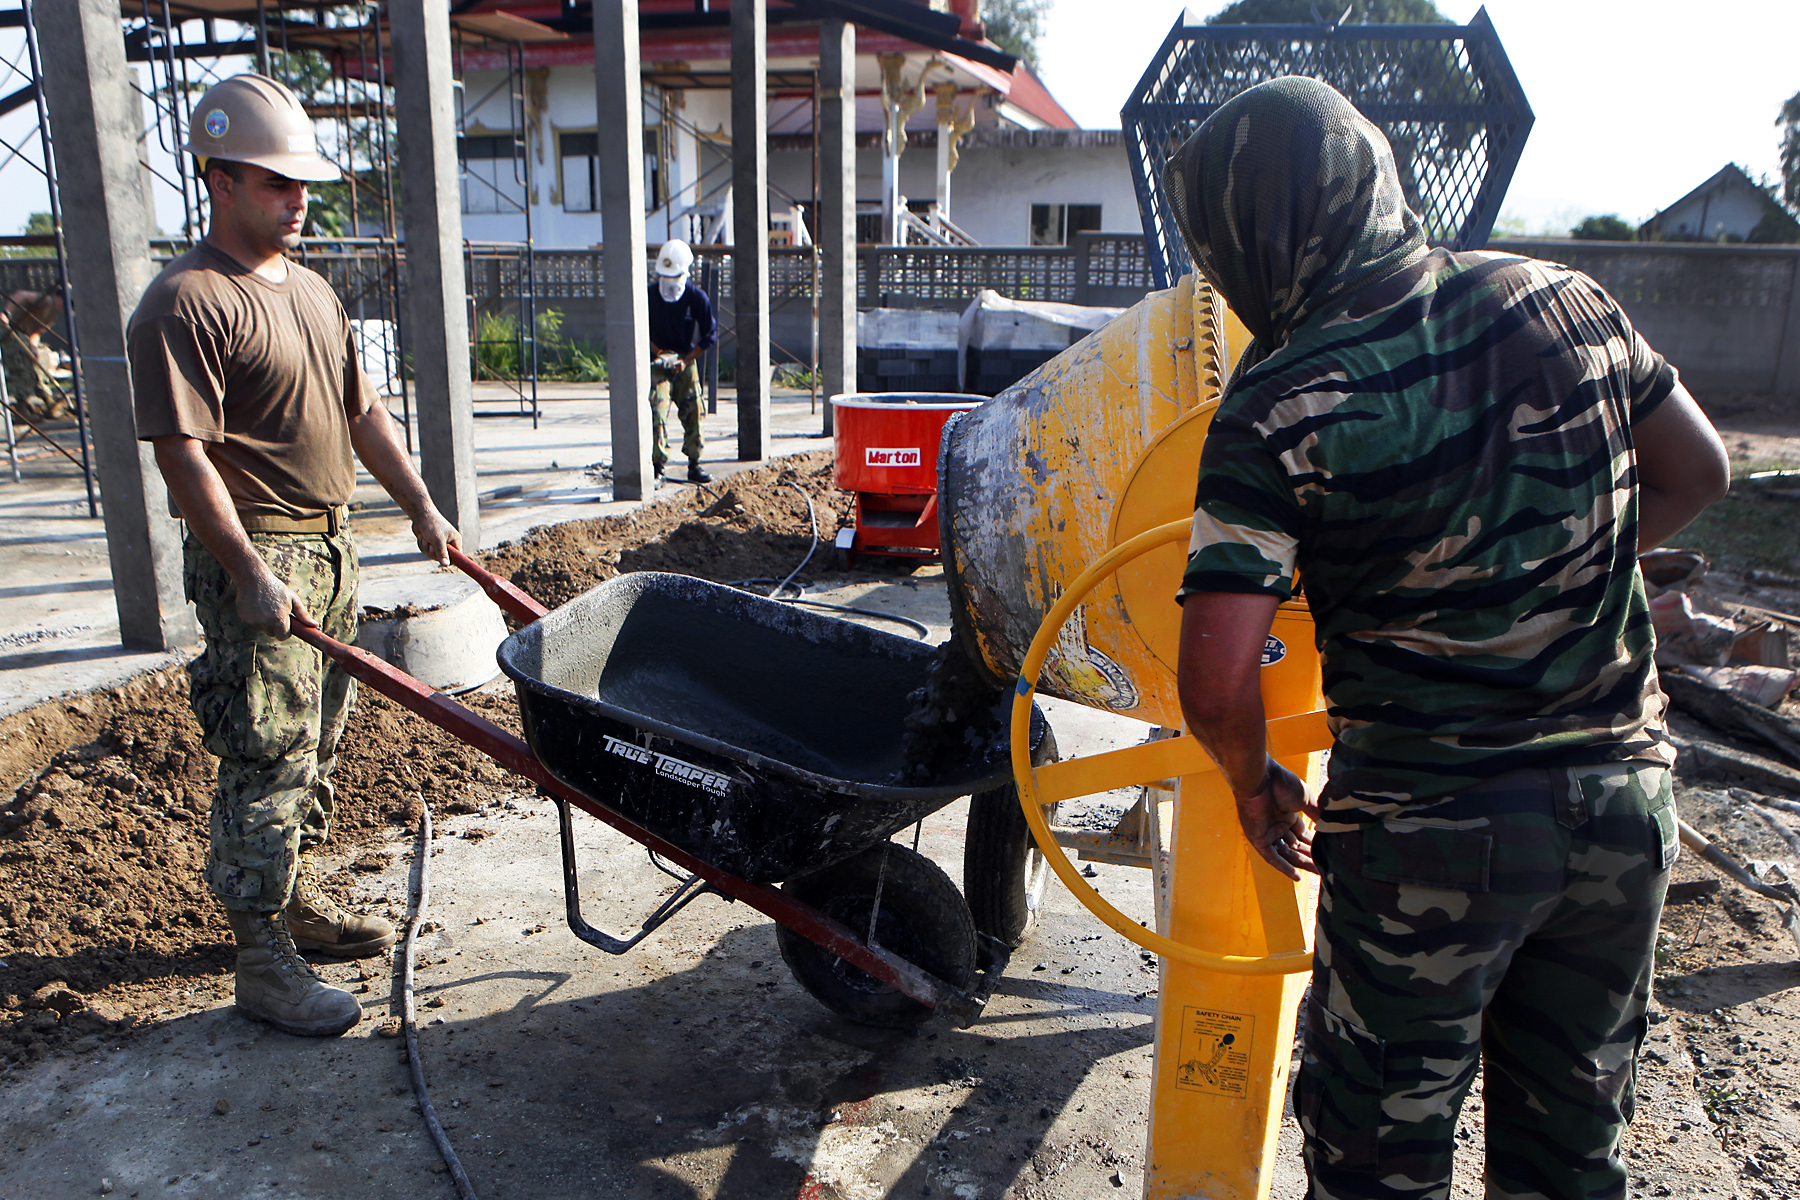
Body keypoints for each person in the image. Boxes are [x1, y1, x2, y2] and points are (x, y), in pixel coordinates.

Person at [1168, 79, 1730, 1199]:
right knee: (1571, 1151)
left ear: (1246, 234)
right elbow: (1700, 472)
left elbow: (1218, 674)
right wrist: (1560, 570)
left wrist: (1251, 781)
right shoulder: (1568, 300)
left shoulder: (1281, 400)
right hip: (1621, 811)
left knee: (1379, 1156)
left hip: (1431, 834)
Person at [128, 74, 459, 1039]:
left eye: (301, 182)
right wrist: (245, 572)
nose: (298, 199)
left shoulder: (312, 291)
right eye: (276, 183)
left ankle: (292, 897)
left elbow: (363, 414)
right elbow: (181, 453)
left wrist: (423, 510)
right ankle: (260, 960)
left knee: (317, 746)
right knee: (266, 754)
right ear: (219, 180)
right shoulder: (184, 303)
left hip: (330, 546)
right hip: (263, 554)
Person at [646, 238, 716, 484]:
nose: (670, 285)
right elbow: (639, 329)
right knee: (657, 411)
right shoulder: (650, 296)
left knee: (695, 410)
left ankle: (695, 464)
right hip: (659, 363)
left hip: (686, 361)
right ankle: (657, 466)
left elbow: (709, 335)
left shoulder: (697, 298)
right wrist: (660, 353)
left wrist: (685, 361)